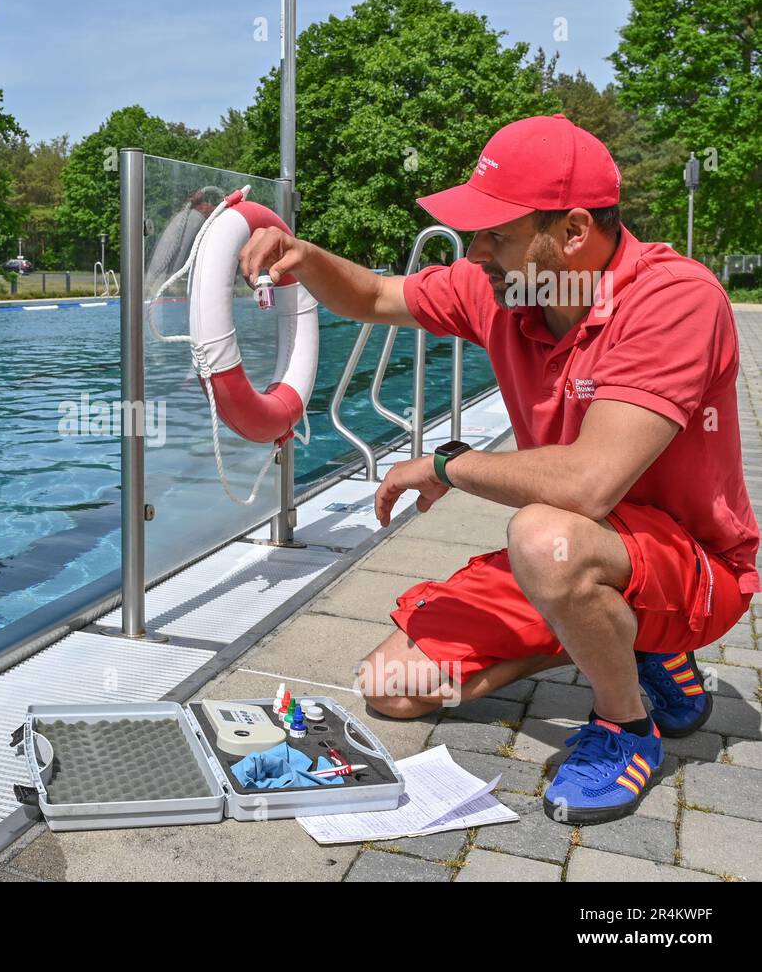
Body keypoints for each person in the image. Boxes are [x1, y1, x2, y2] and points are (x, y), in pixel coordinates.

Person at [238, 114, 758, 824]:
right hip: (586, 553)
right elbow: (373, 296)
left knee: (547, 536)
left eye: (498, 234)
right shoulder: (509, 288)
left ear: (573, 233)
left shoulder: (674, 300)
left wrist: (448, 466)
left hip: (689, 566)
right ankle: (620, 640)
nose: (476, 251)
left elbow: (586, 486)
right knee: (393, 684)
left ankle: (626, 728)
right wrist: (301, 254)